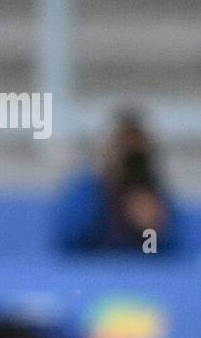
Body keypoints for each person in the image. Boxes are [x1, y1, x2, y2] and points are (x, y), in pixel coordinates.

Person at [55, 109, 184, 255]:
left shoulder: (155, 194)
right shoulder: (90, 189)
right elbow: (69, 241)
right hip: (96, 271)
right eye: (124, 147)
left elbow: (166, 252)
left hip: (140, 273)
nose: (130, 155)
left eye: (137, 150)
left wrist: (152, 229)